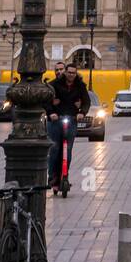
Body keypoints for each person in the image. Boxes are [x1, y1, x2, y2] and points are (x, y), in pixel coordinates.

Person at [47, 63, 90, 193]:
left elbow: (86, 101)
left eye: (73, 73)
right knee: (54, 148)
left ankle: (64, 176)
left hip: (71, 119)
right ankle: (53, 177)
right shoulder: (54, 84)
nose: (71, 75)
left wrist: (82, 112)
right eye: (69, 72)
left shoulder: (80, 86)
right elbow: (46, 101)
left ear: (76, 74)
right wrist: (51, 113)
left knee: (68, 149)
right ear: (65, 72)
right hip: (56, 120)